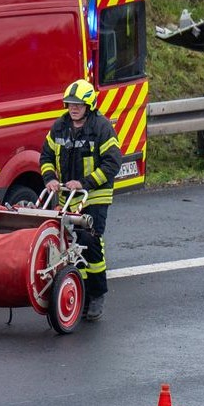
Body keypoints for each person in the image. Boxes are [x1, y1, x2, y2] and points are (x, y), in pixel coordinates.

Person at [40, 79, 122, 321]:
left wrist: (85, 183)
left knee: (89, 241)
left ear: (89, 105)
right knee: (68, 247)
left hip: (94, 196)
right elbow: (46, 156)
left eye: (78, 104)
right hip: (67, 197)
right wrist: (49, 178)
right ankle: (80, 293)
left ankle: (96, 295)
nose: (73, 108)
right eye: (70, 103)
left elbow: (112, 163)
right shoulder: (59, 127)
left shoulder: (102, 128)